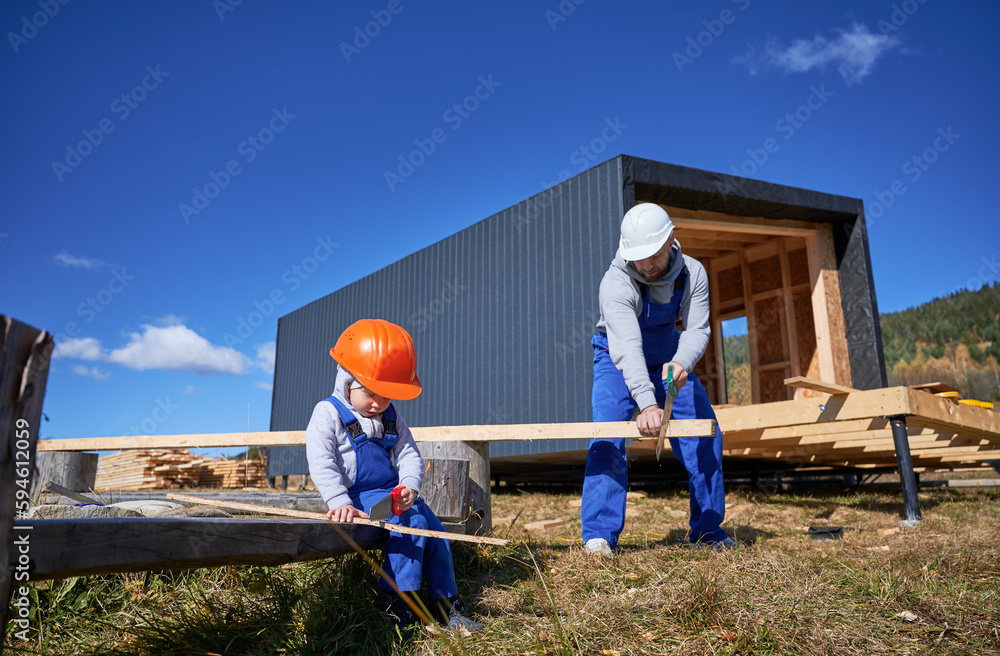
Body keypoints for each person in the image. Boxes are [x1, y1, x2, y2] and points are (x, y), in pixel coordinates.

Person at [306, 318, 484, 637]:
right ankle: (398, 604)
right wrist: (339, 501)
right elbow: (321, 460)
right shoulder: (329, 413)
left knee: (436, 531)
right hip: (358, 495)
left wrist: (410, 486)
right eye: (371, 394)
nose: (378, 403)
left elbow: (408, 453)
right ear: (348, 381)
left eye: (387, 396)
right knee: (411, 526)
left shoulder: (391, 416)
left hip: (392, 491)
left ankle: (447, 605)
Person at [581, 203, 736, 555]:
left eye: (653, 255)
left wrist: (681, 362)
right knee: (607, 435)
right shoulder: (615, 281)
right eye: (639, 258)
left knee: (705, 434)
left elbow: (696, 329)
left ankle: (708, 531)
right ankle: (599, 537)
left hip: (669, 359)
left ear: (670, 241)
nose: (646, 265)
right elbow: (627, 345)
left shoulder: (693, 273)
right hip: (617, 360)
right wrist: (647, 402)